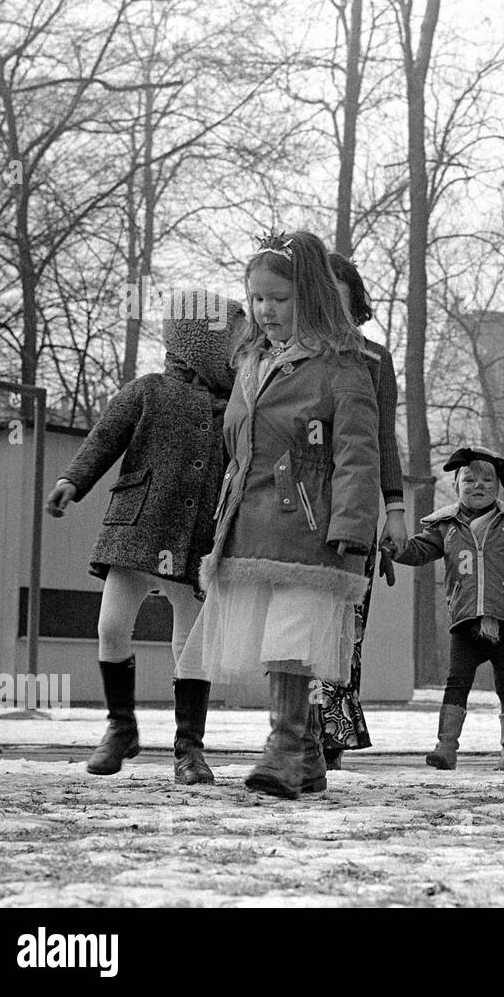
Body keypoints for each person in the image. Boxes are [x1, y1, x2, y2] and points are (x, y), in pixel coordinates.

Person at [182, 230, 380, 799]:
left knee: (291, 635)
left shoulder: (343, 366)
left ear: (310, 298)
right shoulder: (249, 363)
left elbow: (357, 453)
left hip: (313, 525)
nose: (266, 311)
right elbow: (237, 445)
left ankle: (287, 747)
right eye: (257, 298)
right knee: (275, 634)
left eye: (280, 298)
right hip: (254, 521)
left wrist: (352, 522)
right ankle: (309, 755)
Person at [46, 297, 245, 783]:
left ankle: (189, 748)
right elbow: (105, 436)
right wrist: (74, 479)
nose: (241, 355)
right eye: (234, 345)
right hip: (137, 526)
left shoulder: (238, 405)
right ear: (203, 344)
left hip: (200, 535)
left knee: (191, 640)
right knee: (112, 626)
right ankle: (120, 726)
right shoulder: (149, 390)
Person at [395, 447, 504, 772]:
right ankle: (446, 747)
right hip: (464, 620)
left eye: (487, 480)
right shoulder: (445, 525)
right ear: (456, 483)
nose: (478, 486)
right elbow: (418, 550)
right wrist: (395, 547)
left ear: (498, 485)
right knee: (457, 682)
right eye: (470, 479)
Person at [312, 253, 408, 770]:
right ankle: (295, 728)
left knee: (349, 620)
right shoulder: (294, 353)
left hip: (357, 508)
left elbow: (383, 442)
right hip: (298, 504)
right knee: (302, 618)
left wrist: (394, 510)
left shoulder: (374, 359)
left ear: (353, 293)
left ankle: (333, 734)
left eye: (337, 286)